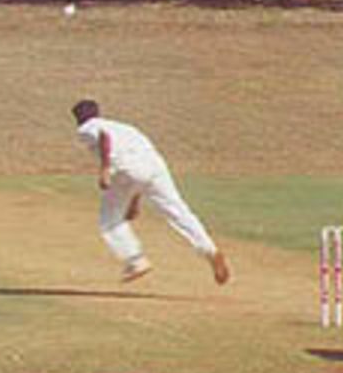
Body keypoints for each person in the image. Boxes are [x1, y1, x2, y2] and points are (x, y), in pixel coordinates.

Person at [70, 100, 228, 284]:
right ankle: (210, 250)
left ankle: (136, 260)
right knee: (178, 211)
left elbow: (104, 136)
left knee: (109, 220)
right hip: (154, 167)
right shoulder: (125, 127)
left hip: (126, 170)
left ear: (78, 118)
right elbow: (139, 167)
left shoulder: (87, 128)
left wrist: (104, 168)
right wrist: (134, 199)